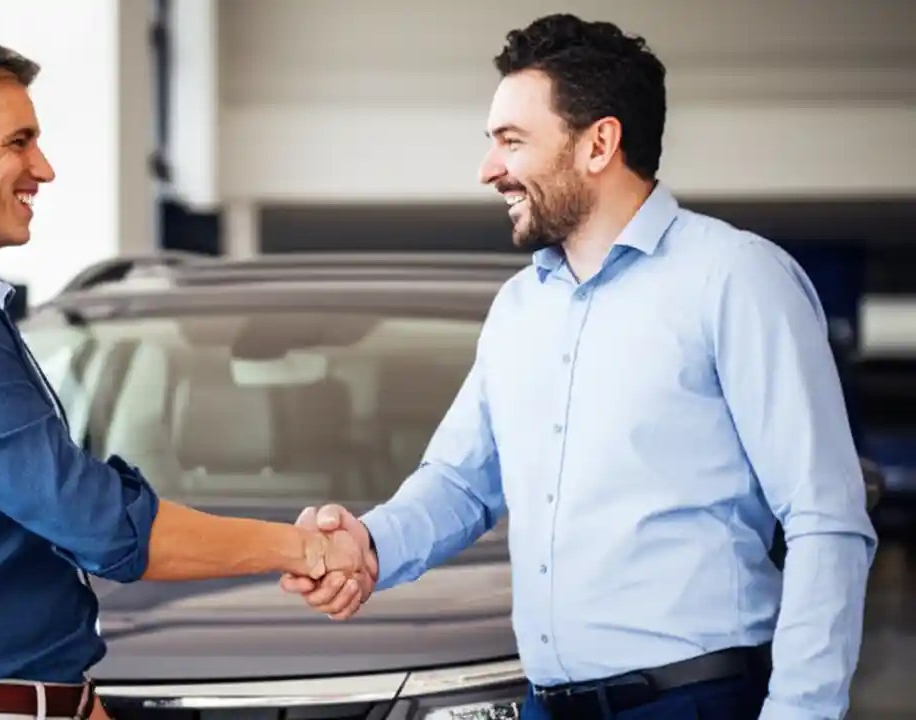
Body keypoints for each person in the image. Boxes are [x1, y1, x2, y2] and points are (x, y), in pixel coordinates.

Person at [281, 13, 877, 720]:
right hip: (546, 705)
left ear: (599, 143)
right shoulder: (518, 309)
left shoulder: (734, 279)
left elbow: (825, 520)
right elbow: (462, 484)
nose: (488, 170)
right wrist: (372, 541)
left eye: (512, 141)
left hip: (691, 701)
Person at [0, 37, 361, 720]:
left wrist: (74, 704)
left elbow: (9, 547)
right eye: (17, 142)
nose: (42, 168)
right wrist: (303, 546)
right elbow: (94, 521)